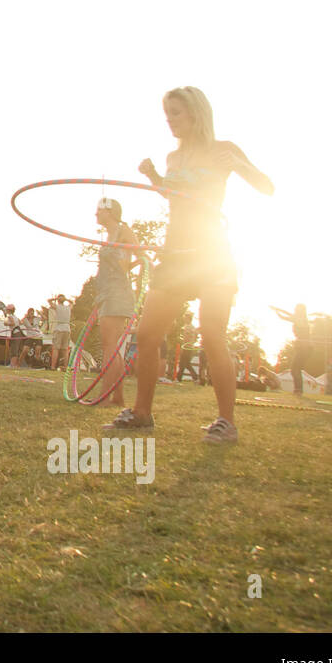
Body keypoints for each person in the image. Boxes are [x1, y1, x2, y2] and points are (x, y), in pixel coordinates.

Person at [104, 86, 274, 443]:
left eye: (176, 114)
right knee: (148, 335)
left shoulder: (223, 150)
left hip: (211, 252)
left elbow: (267, 187)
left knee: (212, 333)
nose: (170, 122)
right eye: (167, 116)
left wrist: (241, 166)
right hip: (176, 254)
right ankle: (142, 413)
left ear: (196, 113)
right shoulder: (173, 158)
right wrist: (154, 177)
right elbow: (174, 196)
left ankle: (226, 422)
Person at [89, 199, 139, 407]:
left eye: (98, 210)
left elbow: (142, 256)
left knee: (110, 345)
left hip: (118, 292)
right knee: (111, 346)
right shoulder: (108, 236)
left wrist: (140, 277)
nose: (95, 214)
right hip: (106, 293)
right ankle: (117, 397)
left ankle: (105, 396)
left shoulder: (123, 230)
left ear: (109, 211)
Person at [274, 304, 311, 395]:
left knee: (295, 369)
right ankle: (298, 390)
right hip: (302, 346)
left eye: (296, 309)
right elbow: (287, 317)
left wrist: (278, 311)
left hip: (304, 347)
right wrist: (277, 311)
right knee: (295, 369)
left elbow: (288, 318)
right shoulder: (300, 319)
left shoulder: (301, 320)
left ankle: (298, 390)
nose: (294, 310)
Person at [48, 294, 73, 370]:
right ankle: (66, 367)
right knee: (65, 349)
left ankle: (52, 366)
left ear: (58, 300)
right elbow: (72, 303)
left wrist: (56, 298)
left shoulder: (57, 307)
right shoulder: (68, 307)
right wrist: (66, 299)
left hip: (59, 328)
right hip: (67, 329)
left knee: (56, 348)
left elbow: (49, 301)